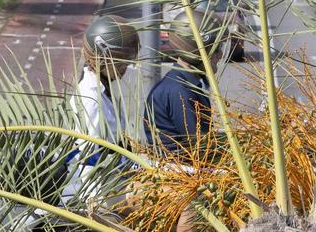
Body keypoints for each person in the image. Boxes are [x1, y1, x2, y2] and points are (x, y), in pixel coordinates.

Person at [61, 15, 139, 200]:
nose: (125, 68)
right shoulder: (90, 98)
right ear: (102, 59)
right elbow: (95, 153)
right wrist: (135, 164)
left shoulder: (103, 90)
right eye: (120, 63)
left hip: (112, 181)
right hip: (99, 190)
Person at [144, 18, 228, 154]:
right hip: (182, 169)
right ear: (197, 51)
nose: (220, 55)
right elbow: (200, 145)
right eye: (216, 49)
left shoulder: (184, 82)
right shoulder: (180, 91)